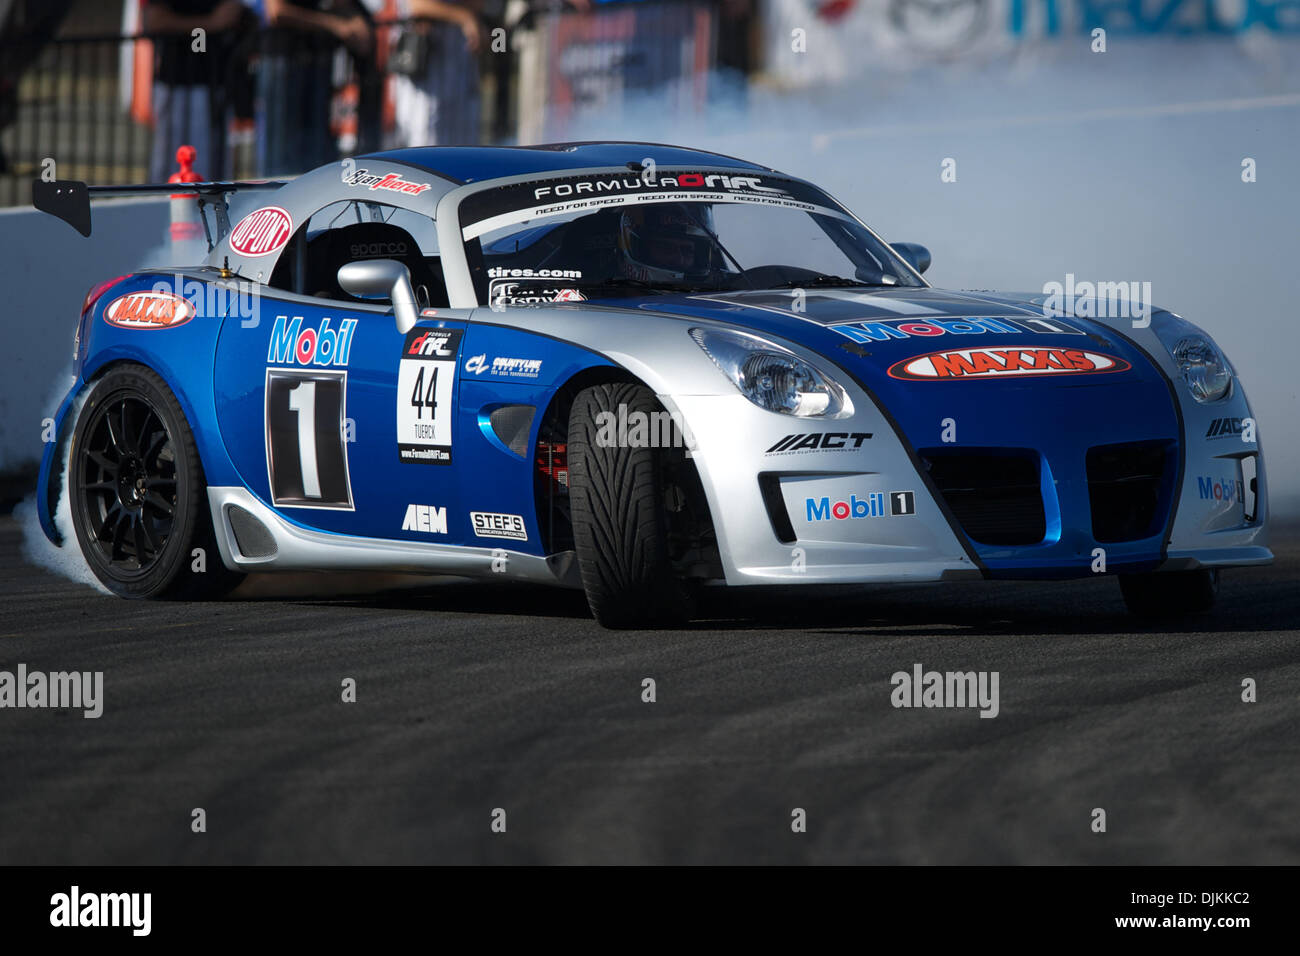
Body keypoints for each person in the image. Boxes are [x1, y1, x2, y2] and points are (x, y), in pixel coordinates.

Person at [258, 0, 374, 175]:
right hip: (286, 62)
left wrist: (356, 21)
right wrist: (336, 24)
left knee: (317, 162)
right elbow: (277, 12)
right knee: (282, 166)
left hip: (318, 65)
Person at [144, 0, 248, 182]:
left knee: (210, 165)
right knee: (173, 165)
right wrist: (210, 24)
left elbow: (233, 13)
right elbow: (155, 20)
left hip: (216, 84)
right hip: (178, 85)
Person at [391, 0, 483, 146]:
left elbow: (480, 5)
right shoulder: (464, 16)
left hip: (462, 72)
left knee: (464, 156)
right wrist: (462, 16)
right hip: (424, 76)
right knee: (422, 156)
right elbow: (416, 5)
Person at [615, 204, 720, 284]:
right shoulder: (603, 304)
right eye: (666, 248)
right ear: (638, 247)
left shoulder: (722, 291)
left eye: (687, 251)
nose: (678, 259)